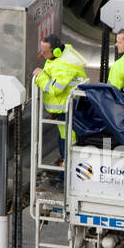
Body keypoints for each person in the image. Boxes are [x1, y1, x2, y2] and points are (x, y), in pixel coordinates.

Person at [32, 33, 89, 164]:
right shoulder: (62, 54)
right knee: (64, 139)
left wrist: (40, 76)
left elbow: (55, 89)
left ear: (56, 51)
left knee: (67, 143)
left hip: (68, 110)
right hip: (66, 109)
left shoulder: (64, 66)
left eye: (45, 51)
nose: (42, 54)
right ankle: (65, 168)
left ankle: (66, 174)